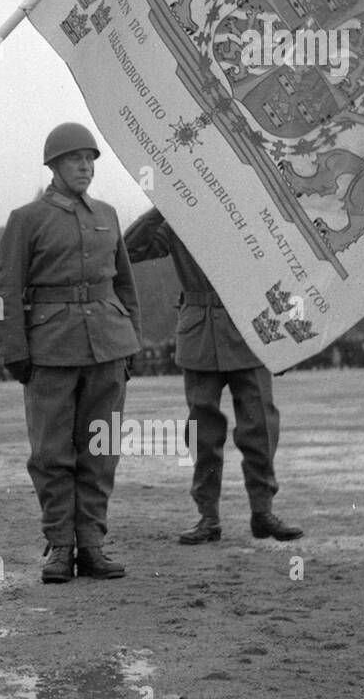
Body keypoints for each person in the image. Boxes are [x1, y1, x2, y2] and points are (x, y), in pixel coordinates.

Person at [0, 123, 141, 583]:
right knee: (52, 453)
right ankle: (60, 546)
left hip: (108, 348)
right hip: (50, 349)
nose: (85, 167)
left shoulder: (109, 215)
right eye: (76, 159)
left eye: (91, 159)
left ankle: (92, 544)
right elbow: (1, 291)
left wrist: (132, 341)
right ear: (53, 166)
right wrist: (14, 349)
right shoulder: (27, 219)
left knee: (101, 447)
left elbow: (124, 285)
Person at [123, 206, 302, 543]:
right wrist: (161, 206)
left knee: (260, 426)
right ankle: (208, 518)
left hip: (250, 332)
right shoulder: (181, 216)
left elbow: (285, 273)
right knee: (203, 433)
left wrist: (287, 338)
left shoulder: (254, 214)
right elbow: (129, 249)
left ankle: (262, 512)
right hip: (200, 333)